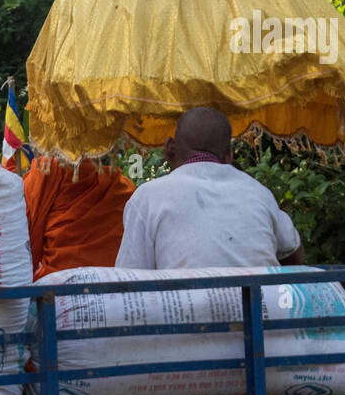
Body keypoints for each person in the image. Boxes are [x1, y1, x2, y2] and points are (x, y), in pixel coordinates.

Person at [115, 107, 305, 269]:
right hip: (262, 310)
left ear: (169, 148)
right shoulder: (258, 191)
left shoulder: (147, 197)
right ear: (228, 156)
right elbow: (293, 253)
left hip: (186, 311)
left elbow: (129, 278)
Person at [24, 159, 136, 278]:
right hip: (112, 286)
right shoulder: (123, 188)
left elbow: (23, 241)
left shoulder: (46, 170)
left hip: (55, 285)